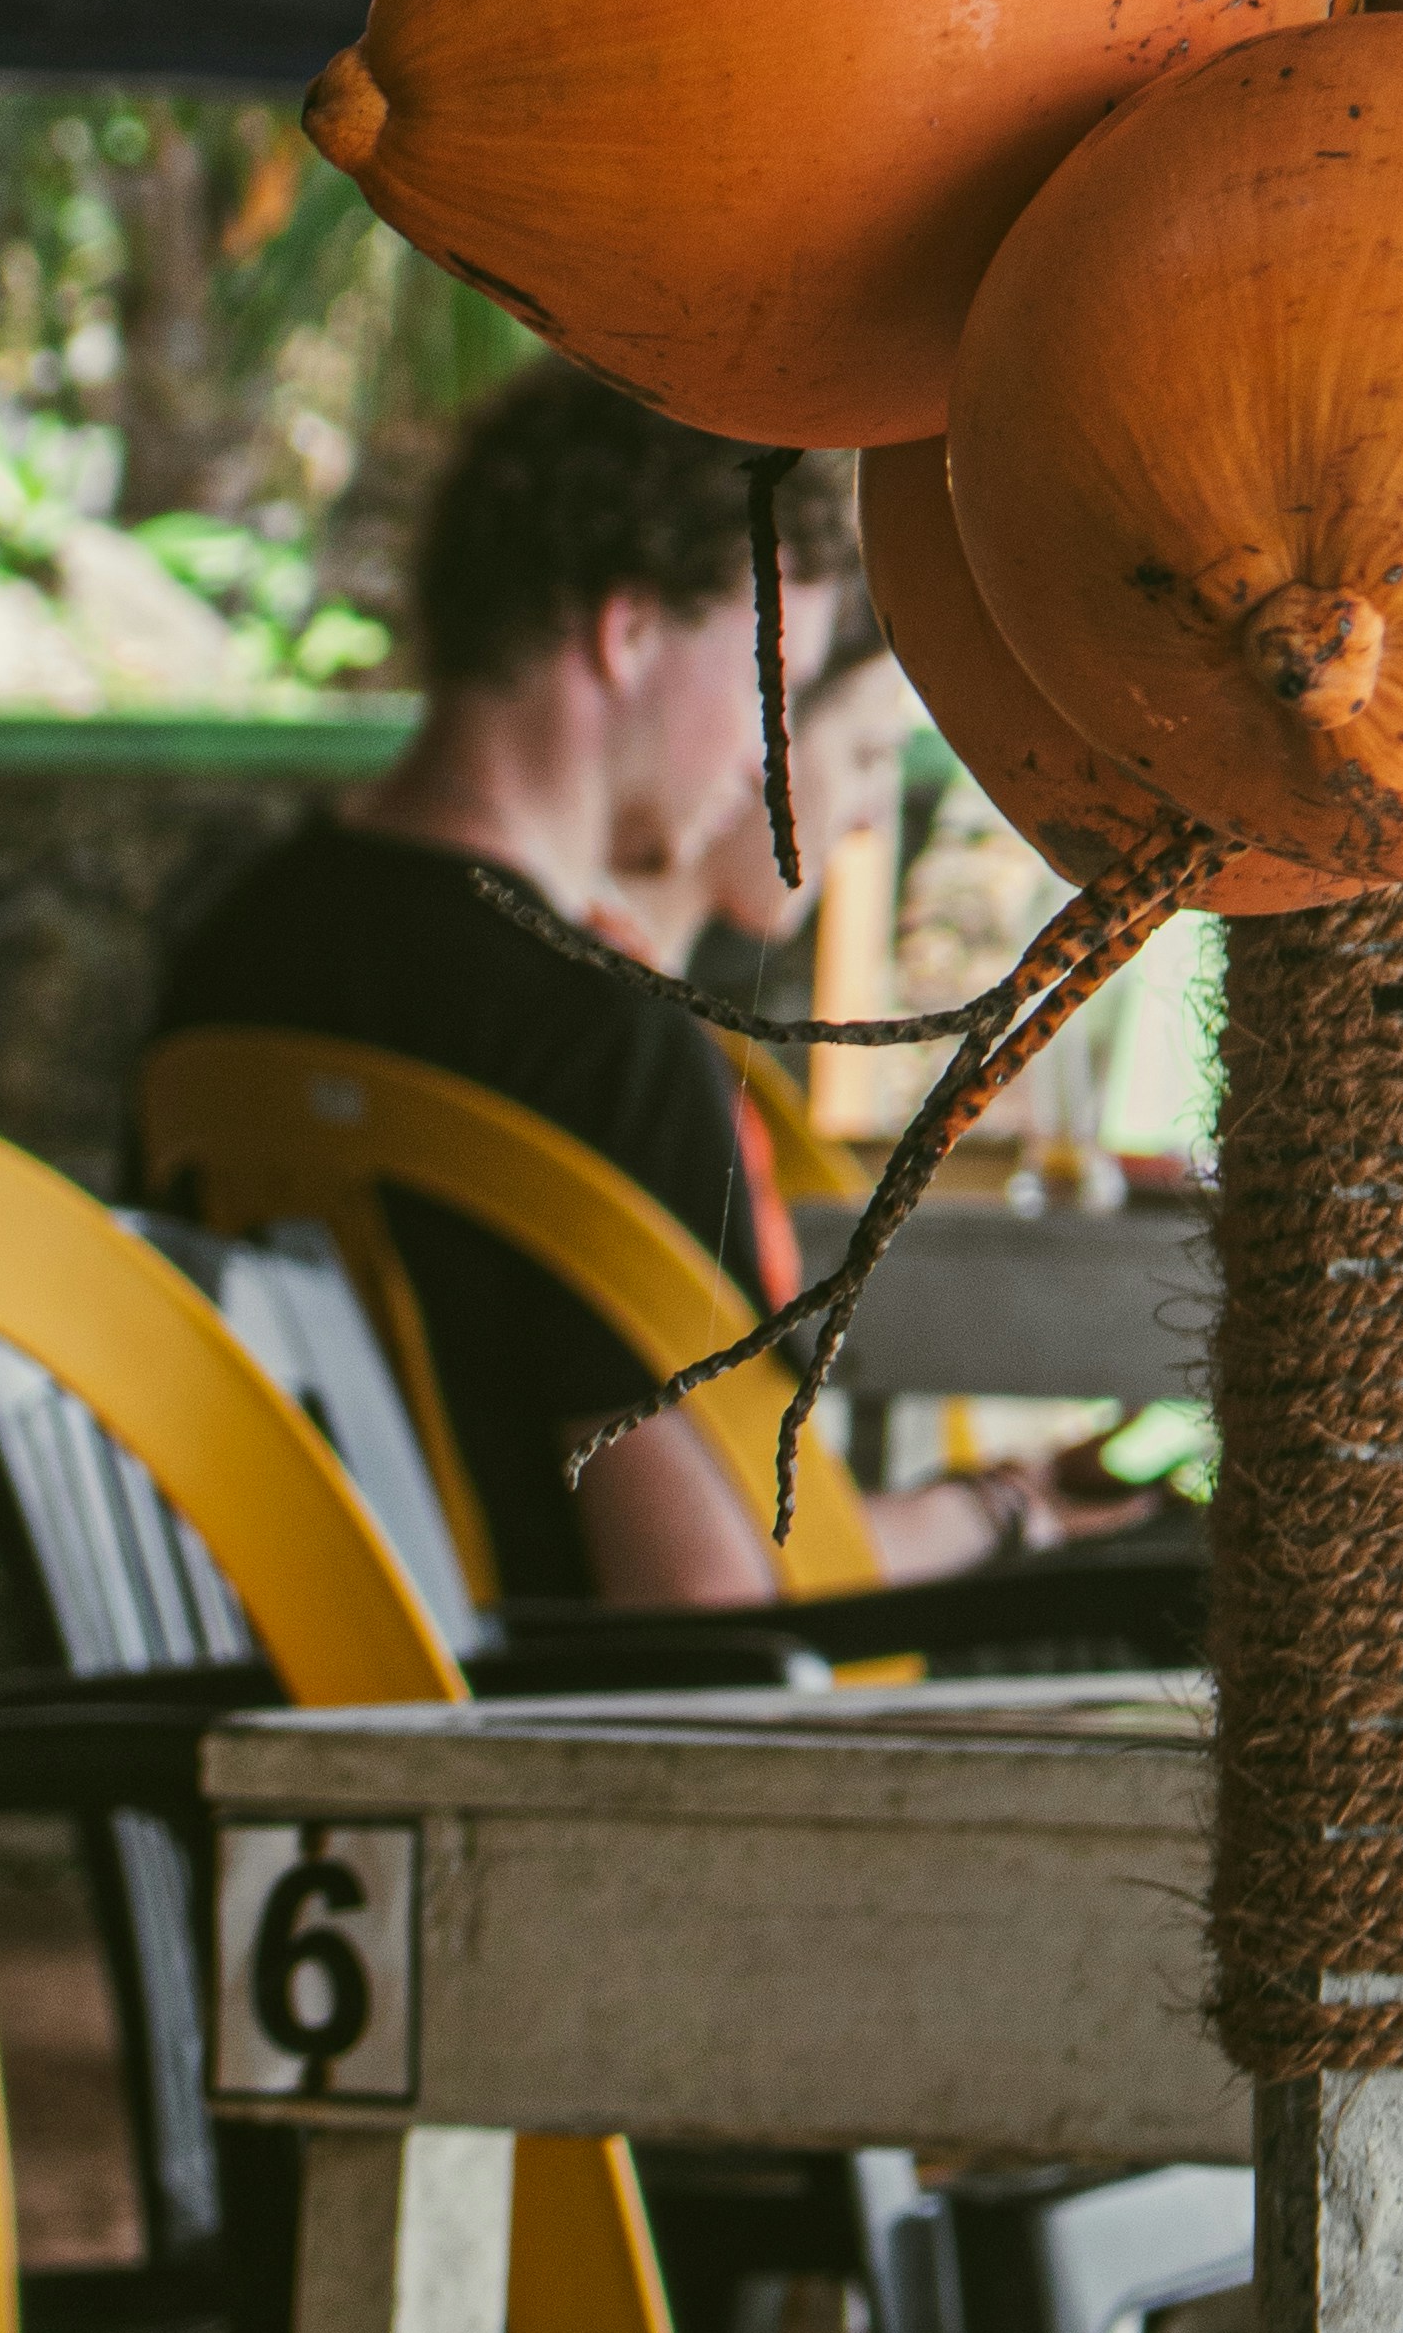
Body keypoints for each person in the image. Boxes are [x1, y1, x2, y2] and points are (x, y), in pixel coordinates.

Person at [152, 365, 1126, 1608]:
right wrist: (1002, 1512)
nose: (765, 750)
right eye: (767, 680)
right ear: (628, 634)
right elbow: (700, 1590)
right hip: (564, 1745)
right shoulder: (602, 1043)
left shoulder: (235, 944)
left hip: (287, 1695)